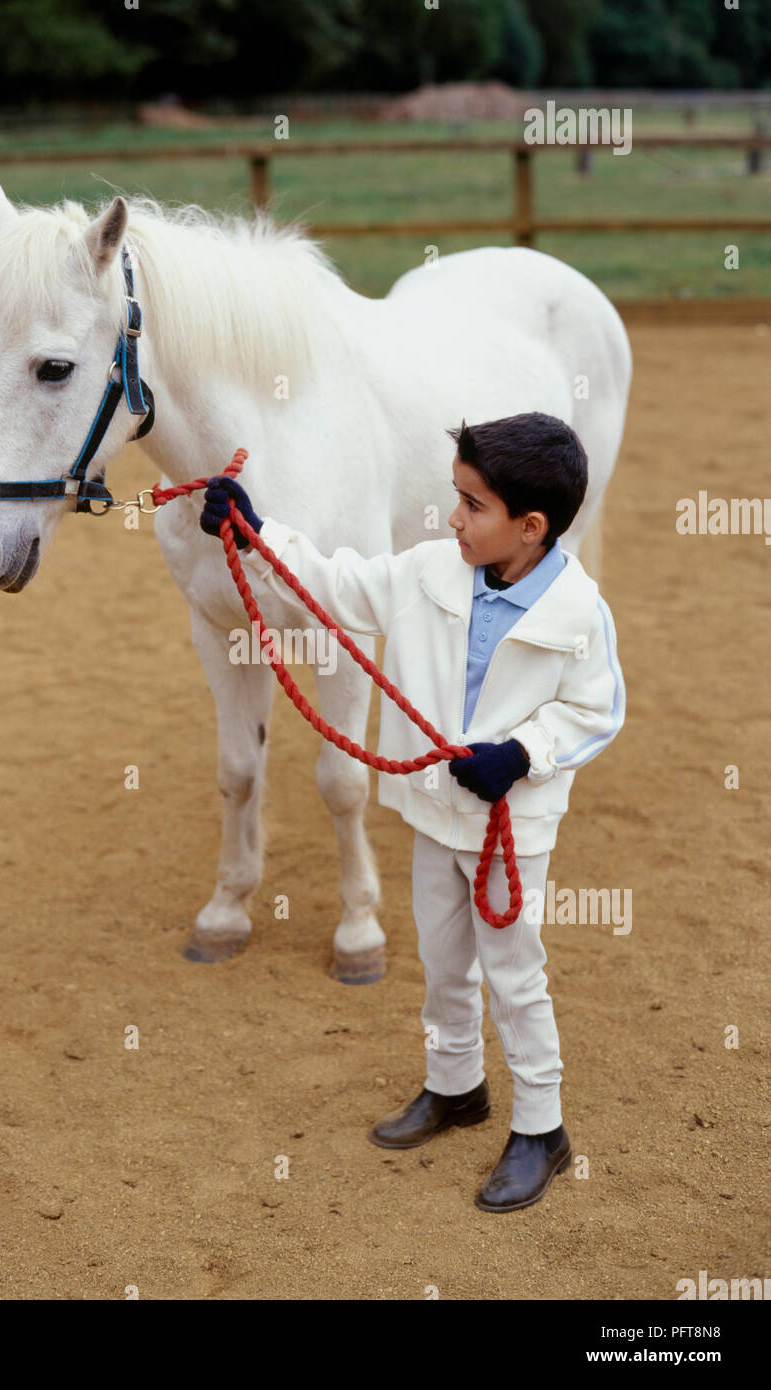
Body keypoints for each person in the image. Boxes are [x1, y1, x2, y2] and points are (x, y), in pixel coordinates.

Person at [198, 412, 625, 1212]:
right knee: (440, 960)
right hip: (433, 813)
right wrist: (257, 533)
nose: (452, 518)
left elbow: (596, 712)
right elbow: (336, 582)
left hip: (508, 826)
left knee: (514, 974)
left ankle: (541, 1126)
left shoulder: (578, 612)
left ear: (528, 528)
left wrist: (522, 753)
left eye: (471, 506)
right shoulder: (427, 570)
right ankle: (454, 1085)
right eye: (455, 497)